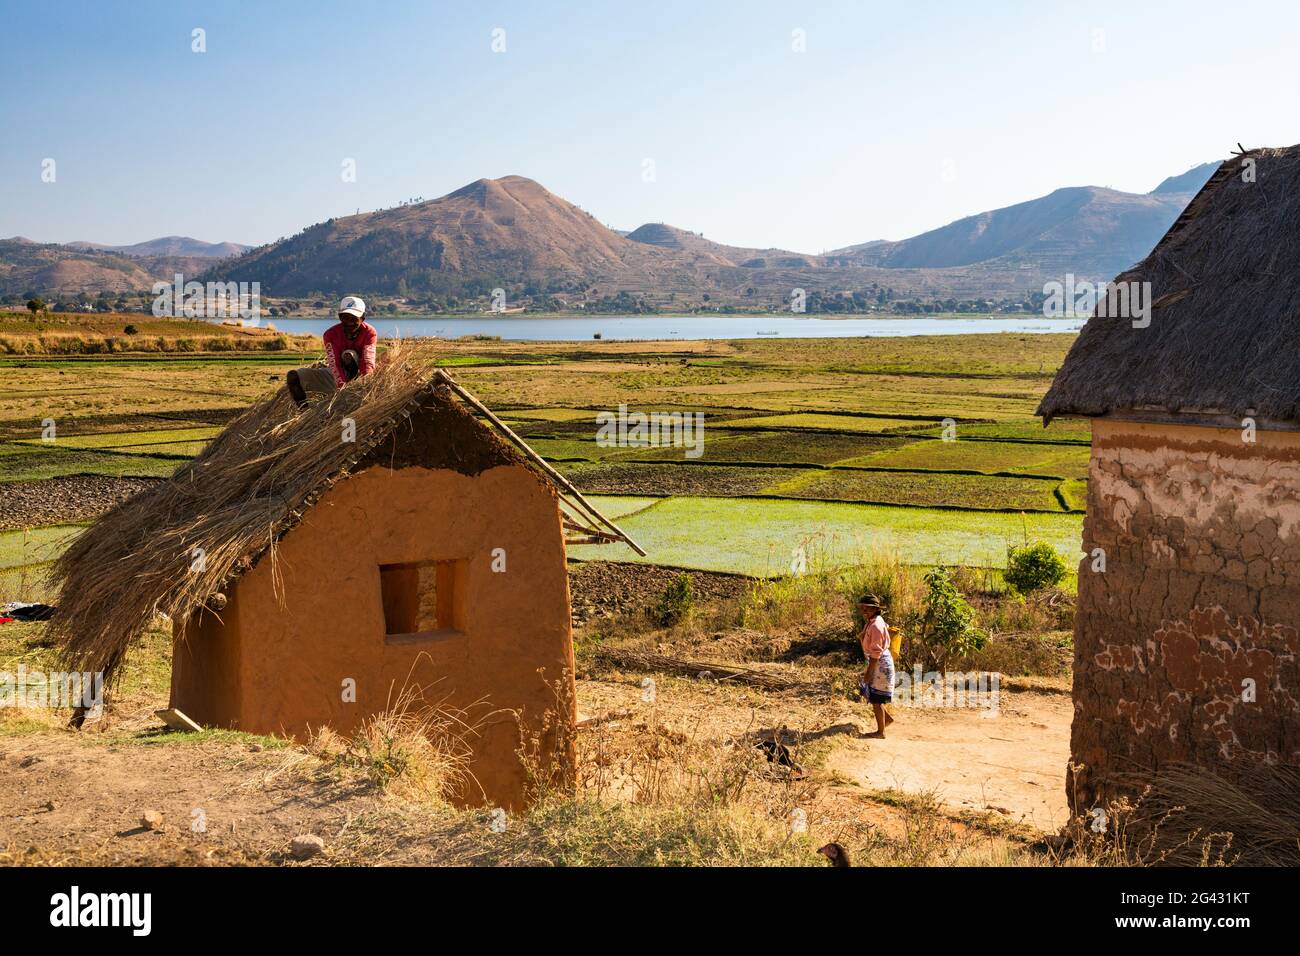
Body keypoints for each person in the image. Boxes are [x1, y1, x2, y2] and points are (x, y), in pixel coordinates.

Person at [857, 593, 895, 738]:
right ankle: (887, 720)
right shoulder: (875, 621)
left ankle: (881, 732)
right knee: (873, 695)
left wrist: (868, 672)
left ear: (875, 609)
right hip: (879, 662)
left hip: (879, 664)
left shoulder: (875, 625)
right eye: (863, 608)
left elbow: (875, 653)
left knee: (876, 700)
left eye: (867, 608)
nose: (864, 611)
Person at [322, 295, 377, 388]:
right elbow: (335, 364)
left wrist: (366, 384)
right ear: (340, 317)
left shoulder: (369, 332)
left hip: (360, 370)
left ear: (362, 318)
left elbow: (368, 360)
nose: (349, 322)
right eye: (345, 318)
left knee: (349, 354)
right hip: (342, 371)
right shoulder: (330, 334)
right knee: (347, 355)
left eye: (354, 318)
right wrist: (342, 388)